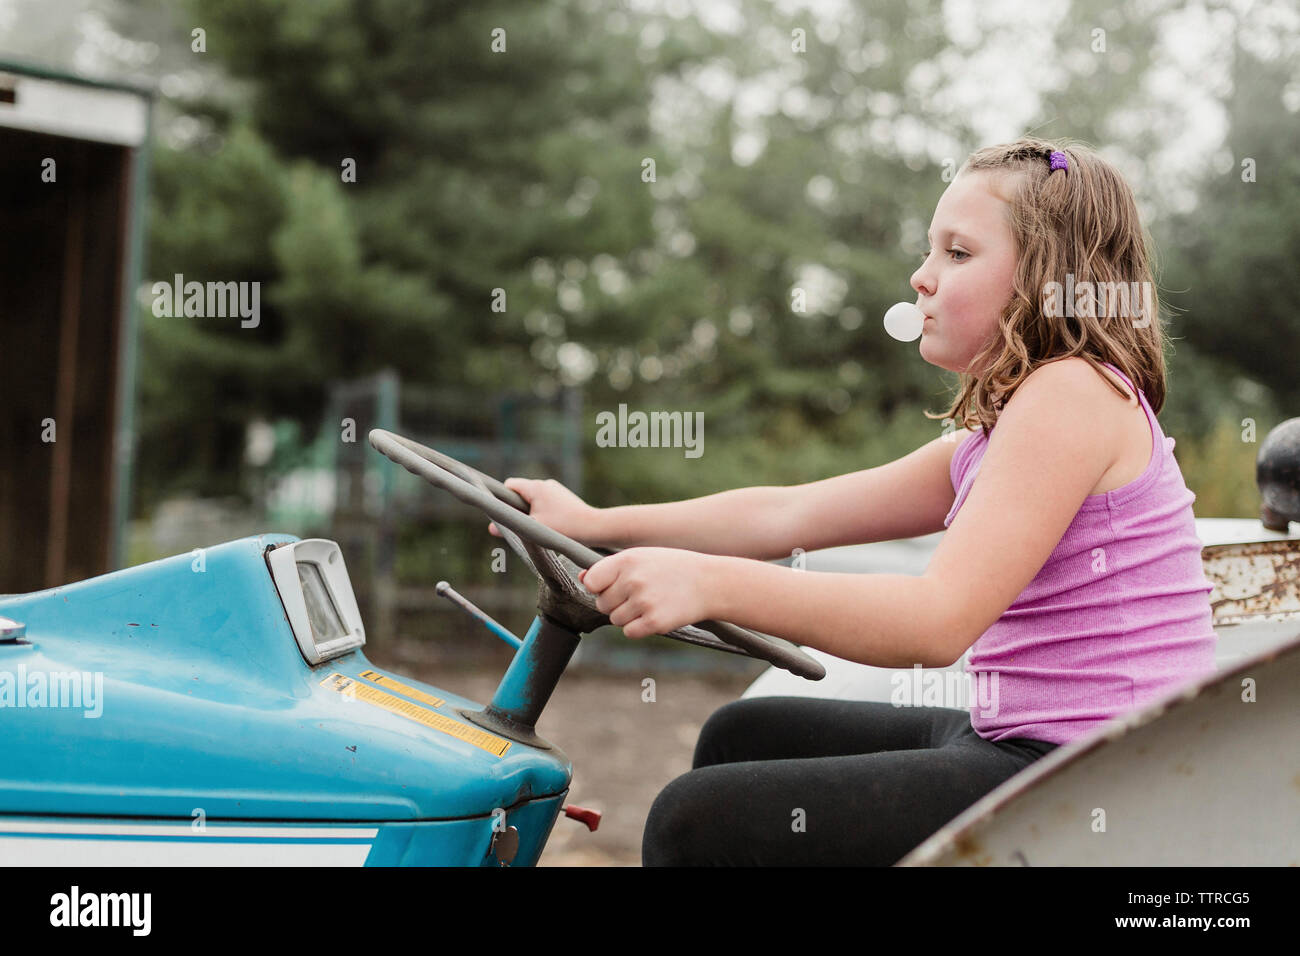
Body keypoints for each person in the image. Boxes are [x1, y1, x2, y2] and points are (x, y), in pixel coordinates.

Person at [490, 137, 1218, 866]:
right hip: (1028, 740)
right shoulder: (1006, 430)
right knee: (740, 736)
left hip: (1103, 779)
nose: (921, 276)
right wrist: (591, 523)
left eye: (957, 254)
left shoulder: (1071, 396)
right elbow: (788, 513)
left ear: (1047, 276)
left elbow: (936, 622)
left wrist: (707, 582)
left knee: (693, 823)